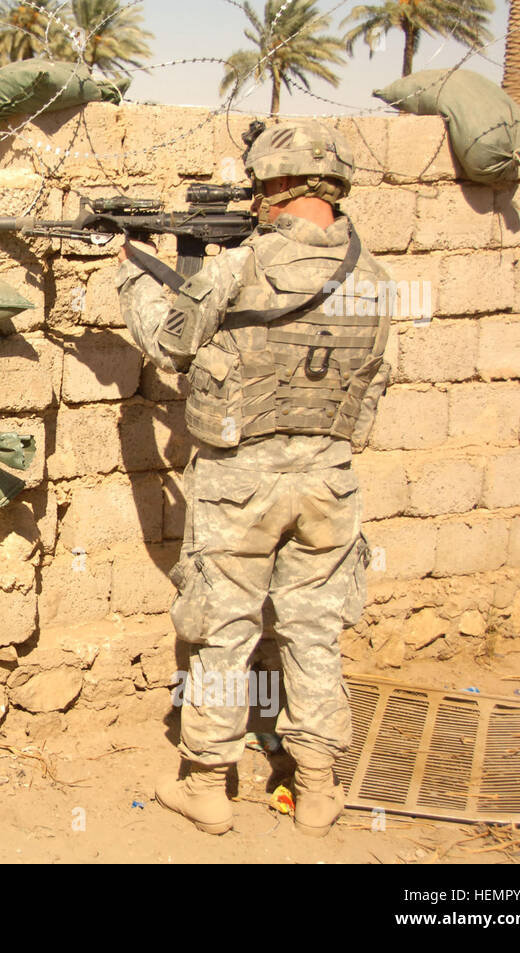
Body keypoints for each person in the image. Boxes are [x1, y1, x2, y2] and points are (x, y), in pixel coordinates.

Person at [115, 119, 393, 837]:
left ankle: (207, 783)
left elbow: (168, 340)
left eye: (259, 188)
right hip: (330, 480)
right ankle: (320, 789)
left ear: (276, 185)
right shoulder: (375, 277)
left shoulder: (240, 267)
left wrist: (132, 267)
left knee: (225, 629)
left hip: (242, 480)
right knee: (315, 631)